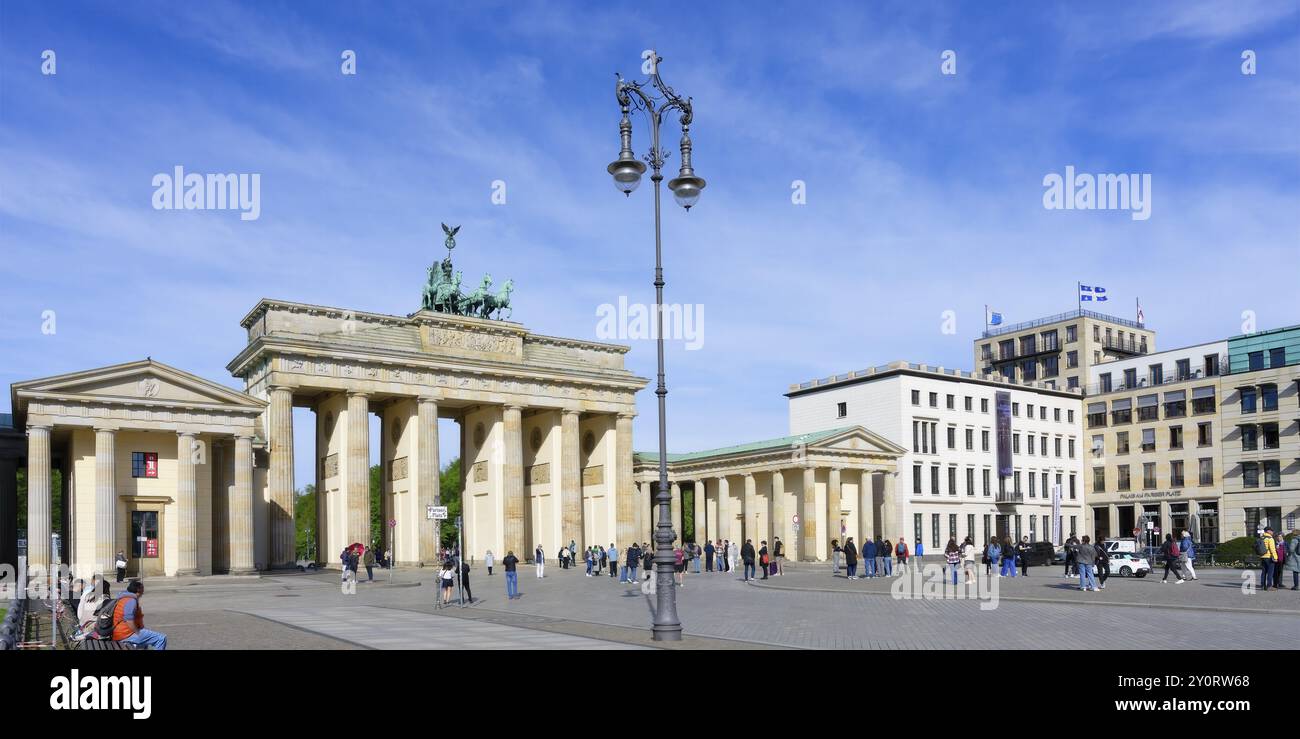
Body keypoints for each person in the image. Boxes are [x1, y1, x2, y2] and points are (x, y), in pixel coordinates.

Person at [111, 580, 167, 650]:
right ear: (138, 589)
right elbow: (129, 620)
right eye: (142, 588)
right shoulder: (131, 601)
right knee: (161, 638)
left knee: (144, 643)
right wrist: (138, 632)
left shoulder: (123, 598)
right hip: (125, 634)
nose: (144, 590)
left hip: (119, 633)